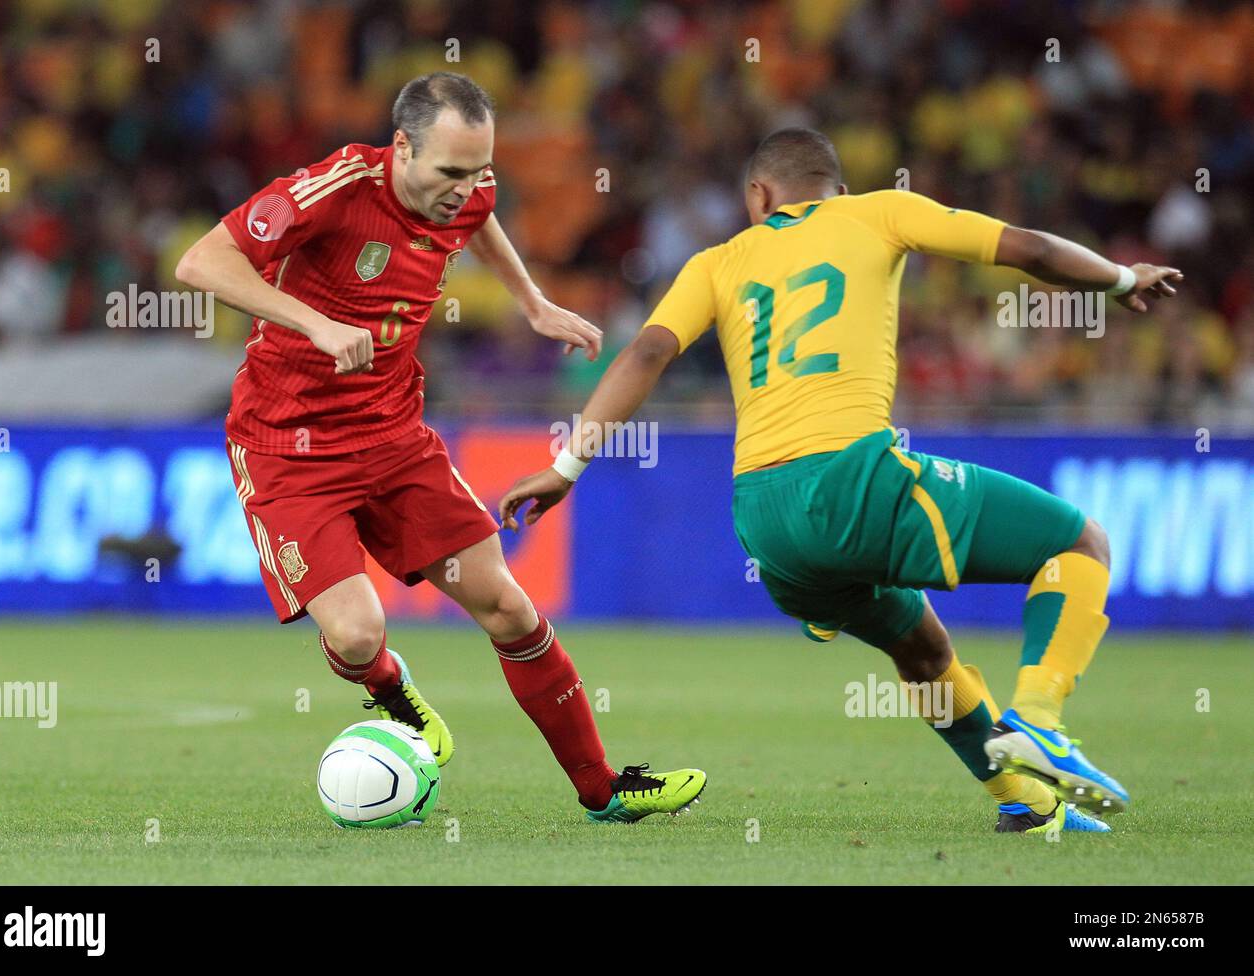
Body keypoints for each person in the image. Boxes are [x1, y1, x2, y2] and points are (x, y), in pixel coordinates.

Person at [499, 127, 1184, 835]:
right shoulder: (881, 210)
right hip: (855, 476)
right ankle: (1039, 720)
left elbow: (646, 351)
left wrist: (565, 466)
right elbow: (1031, 250)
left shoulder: (718, 260)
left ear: (757, 196)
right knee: (1079, 544)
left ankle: (1023, 800)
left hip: (764, 523)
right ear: (839, 189)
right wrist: (1122, 279)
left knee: (922, 649)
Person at [176, 71, 704, 824]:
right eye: (451, 172)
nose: (467, 189)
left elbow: (479, 220)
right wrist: (314, 324)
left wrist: (532, 302)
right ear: (401, 148)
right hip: (286, 446)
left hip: (392, 435)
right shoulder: (335, 188)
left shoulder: (469, 190)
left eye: (480, 170)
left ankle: (603, 789)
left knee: (508, 606)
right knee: (358, 634)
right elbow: (199, 264)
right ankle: (393, 693)